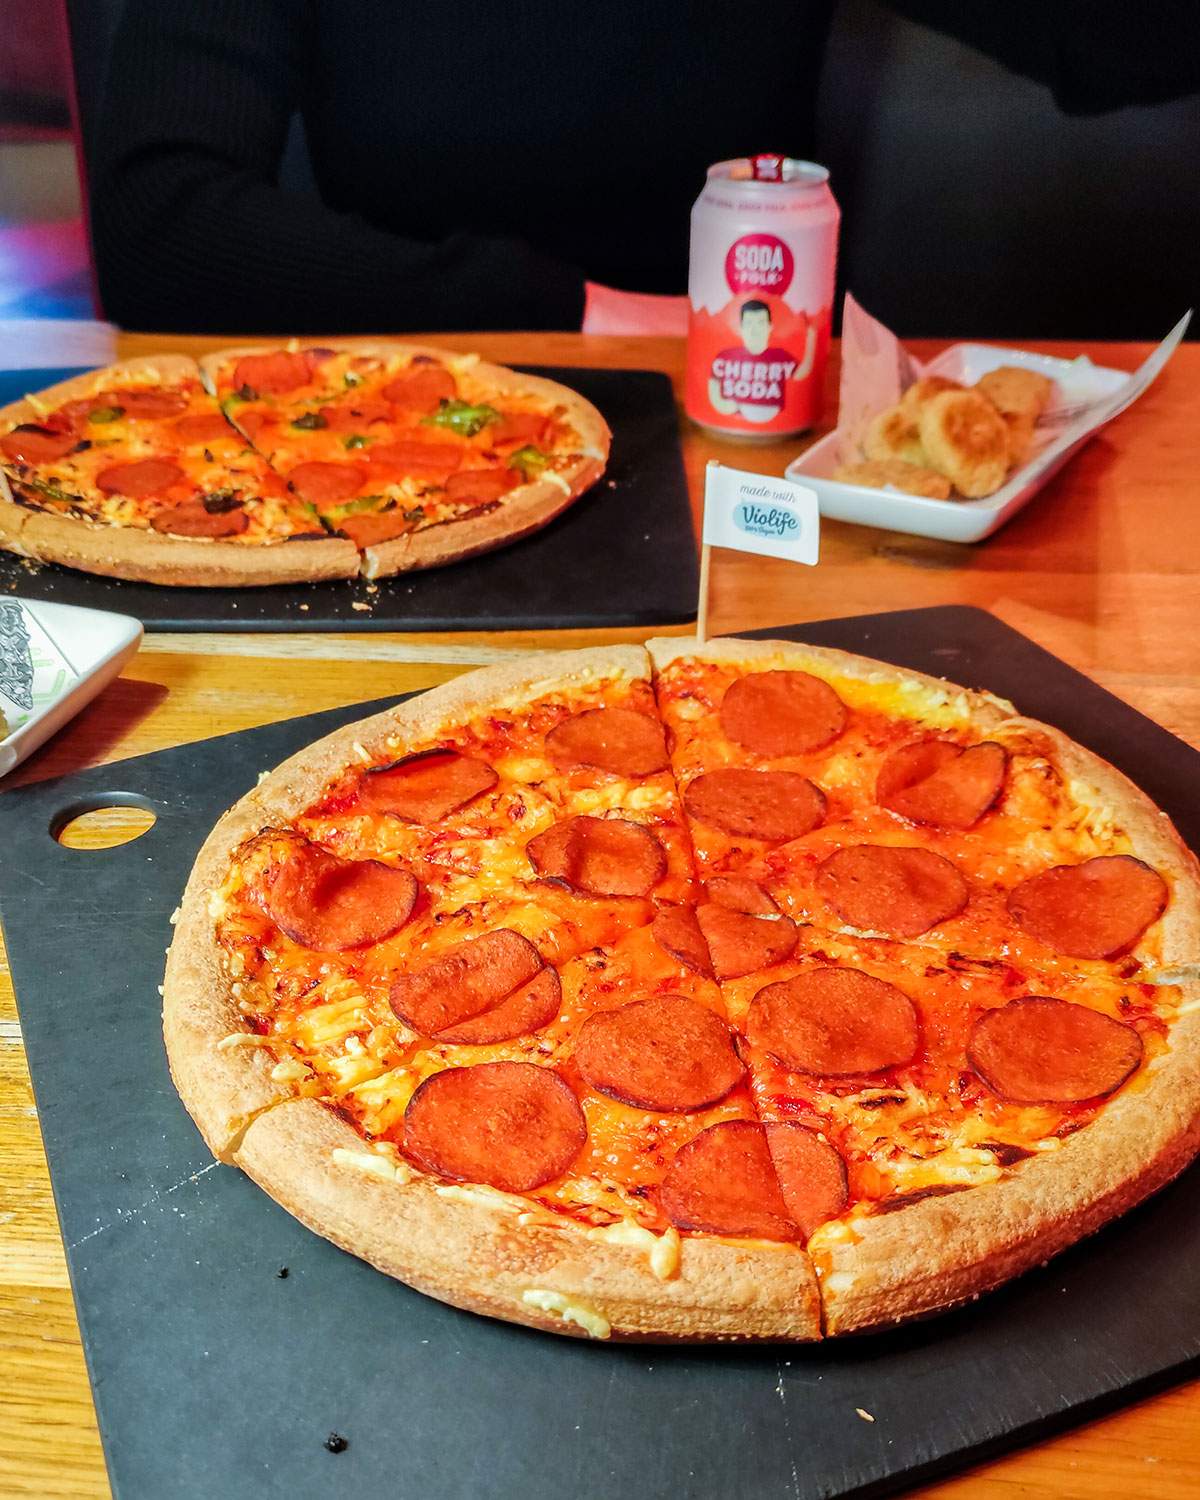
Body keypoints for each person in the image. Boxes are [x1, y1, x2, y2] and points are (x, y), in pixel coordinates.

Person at [90, 2, 1200, 335]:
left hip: (737, 431)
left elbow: (1124, 40)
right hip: (391, 415)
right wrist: (579, 309)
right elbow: (163, 232)